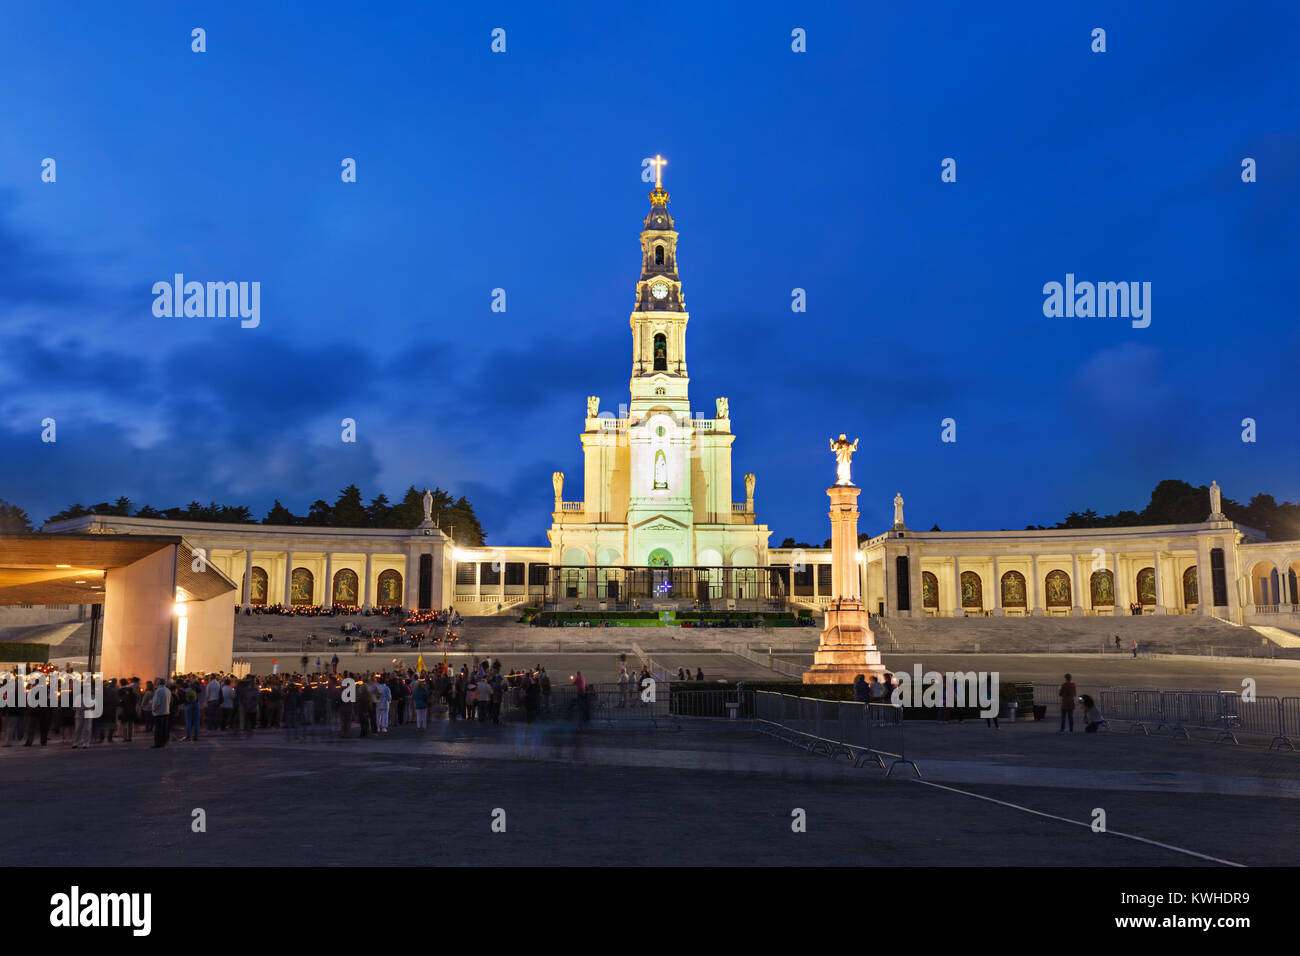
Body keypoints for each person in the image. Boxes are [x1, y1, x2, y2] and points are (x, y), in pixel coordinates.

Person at [151, 678, 173, 748]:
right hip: (166, 712)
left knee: (158, 729)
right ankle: (163, 742)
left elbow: (157, 702)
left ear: (158, 683)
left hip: (159, 712)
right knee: (164, 728)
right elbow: (170, 701)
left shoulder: (158, 691)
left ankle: (157, 743)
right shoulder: (168, 690)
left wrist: (153, 709)